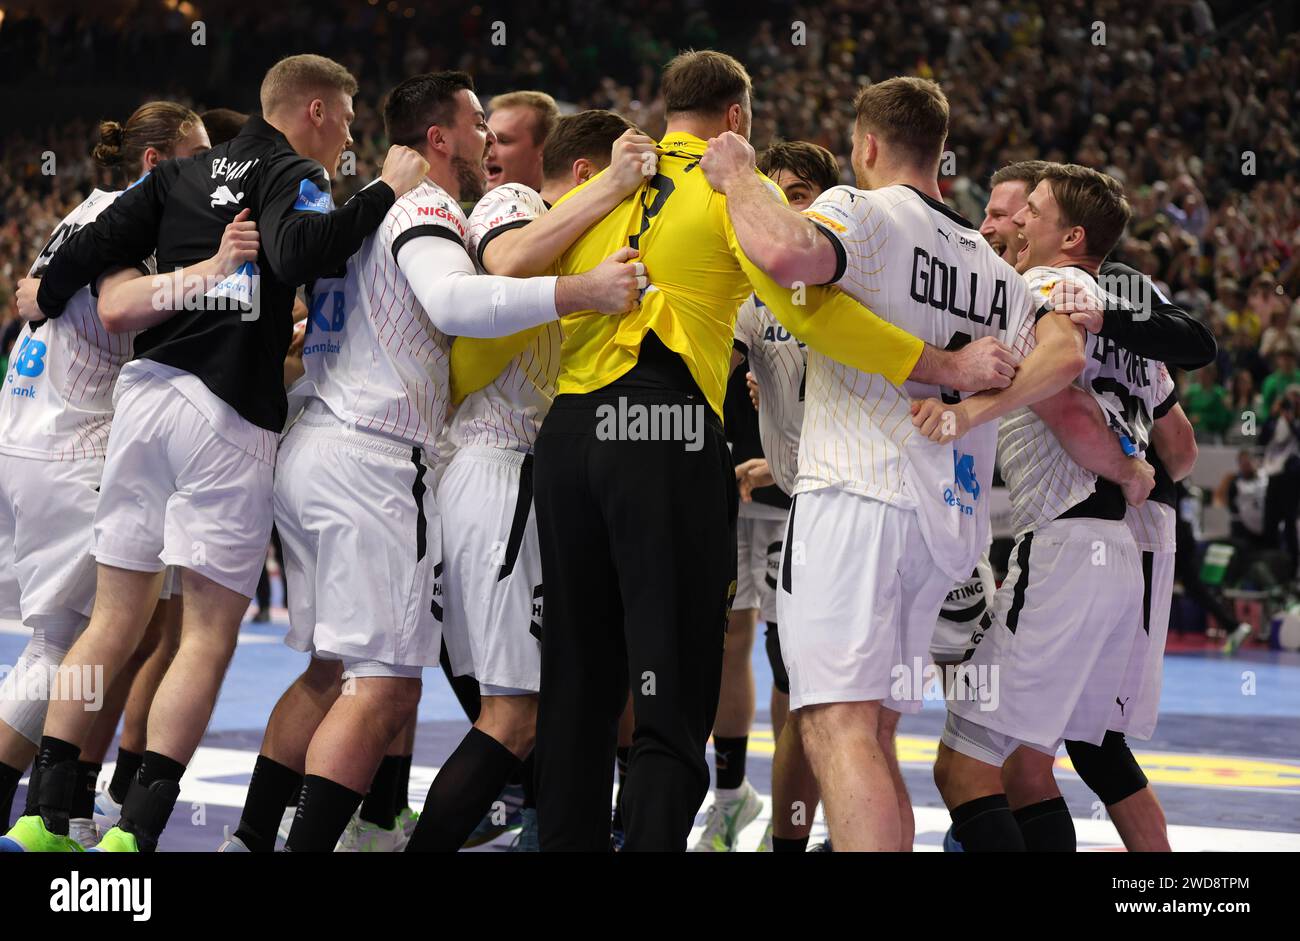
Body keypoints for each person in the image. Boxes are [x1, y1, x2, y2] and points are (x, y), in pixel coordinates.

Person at [532, 56, 1012, 853]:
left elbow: (503, 274)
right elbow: (811, 307)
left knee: (577, 684)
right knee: (676, 691)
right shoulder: (726, 189)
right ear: (738, 117)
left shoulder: (600, 186)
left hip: (568, 435)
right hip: (670, 435)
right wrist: (943, 366)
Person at [2, 53, 428, 854]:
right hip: (227, 414)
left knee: (111, 624)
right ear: (309, 111)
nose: (348, 129)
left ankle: (44, 815)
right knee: (203, 635)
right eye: (342, 112)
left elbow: (80, 256)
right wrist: (383, 193)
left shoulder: (176, 177)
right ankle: (135, 832)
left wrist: (45, 291)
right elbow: (303, 252)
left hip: (144, 402)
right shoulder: (293, 169)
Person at [224, 72, 643, 854]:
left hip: (319, 441)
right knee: (383, 688)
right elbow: (455, 303)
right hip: (373, 457)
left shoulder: (364, 207)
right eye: (478, 121)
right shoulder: (423, 204)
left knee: (329, 674)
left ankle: (249, 841)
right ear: (441, 137)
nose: (488, 137)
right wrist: (582, 289)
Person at [410, 108, 652, 853]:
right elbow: (508, 264)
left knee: (548, 701)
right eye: (489, 134)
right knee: (515, 716)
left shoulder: (572, 232)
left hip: (520, 477)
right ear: (584, 172)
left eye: (503, 138)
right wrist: (616, 189)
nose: (489, 150)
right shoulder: (515, 205)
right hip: (497, 468)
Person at [0, 102, 209, 844]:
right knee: (66, 645)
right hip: (72, 447)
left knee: (115, 633)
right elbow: (123, 311)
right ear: (156, 165)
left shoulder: (79, 214)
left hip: (29, 433)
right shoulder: (131, 224)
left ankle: (70, 802)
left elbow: (39, 296)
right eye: (196, 157)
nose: (208, 172)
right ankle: (31, 807)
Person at [697, 140, 840, 853]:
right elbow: (698, 355)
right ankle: (735, 799)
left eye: (803, 190)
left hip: (827, 502)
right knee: (736, 641)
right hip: (750, 483)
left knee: (808, 668)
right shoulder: (746, 286)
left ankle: (809, 822)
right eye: (774, 189)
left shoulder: (855, 281)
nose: (787, 201)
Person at [484, 90, 560, 192]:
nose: (487, 152)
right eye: (488, 140)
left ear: (545, 150)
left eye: (504, 141)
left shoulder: (568, 206)